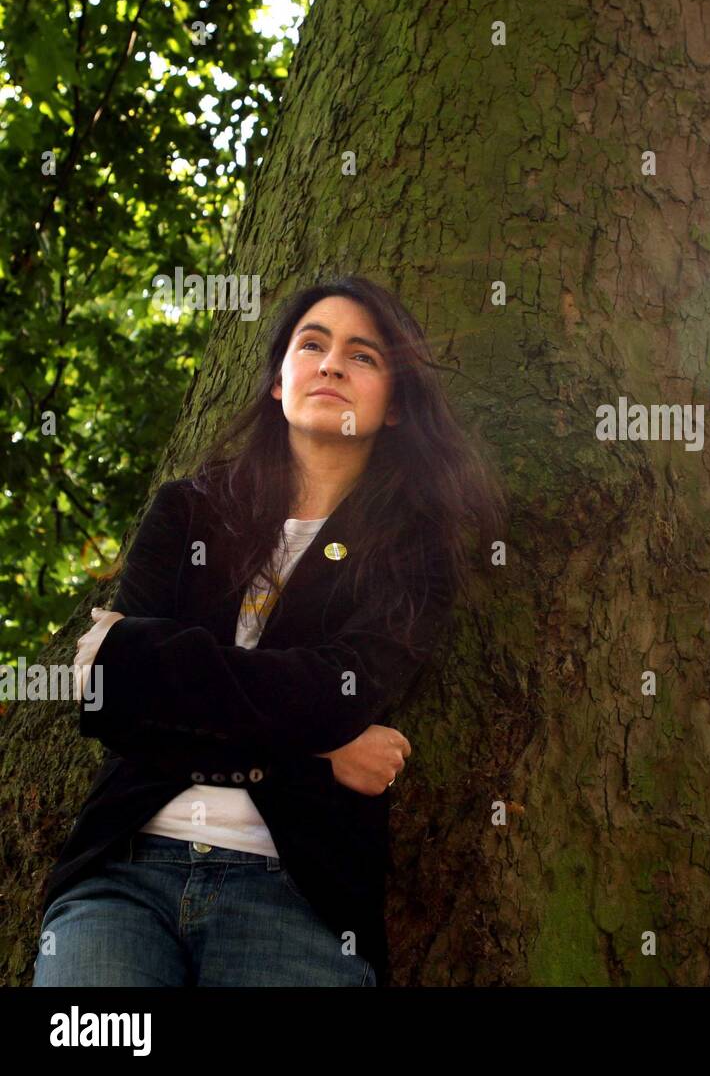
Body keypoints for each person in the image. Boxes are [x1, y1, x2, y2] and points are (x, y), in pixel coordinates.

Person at [33, 275, 505, 987]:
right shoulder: (187, 511)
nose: (332, 363)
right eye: (311, 343)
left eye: (364, 355)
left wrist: (152, 662)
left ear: (397, 405)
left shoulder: (415, 551)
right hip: (122, 873)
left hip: (297, 895)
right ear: (279, 382)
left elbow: (335, 694)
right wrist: (322, 748)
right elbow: (115, 697)